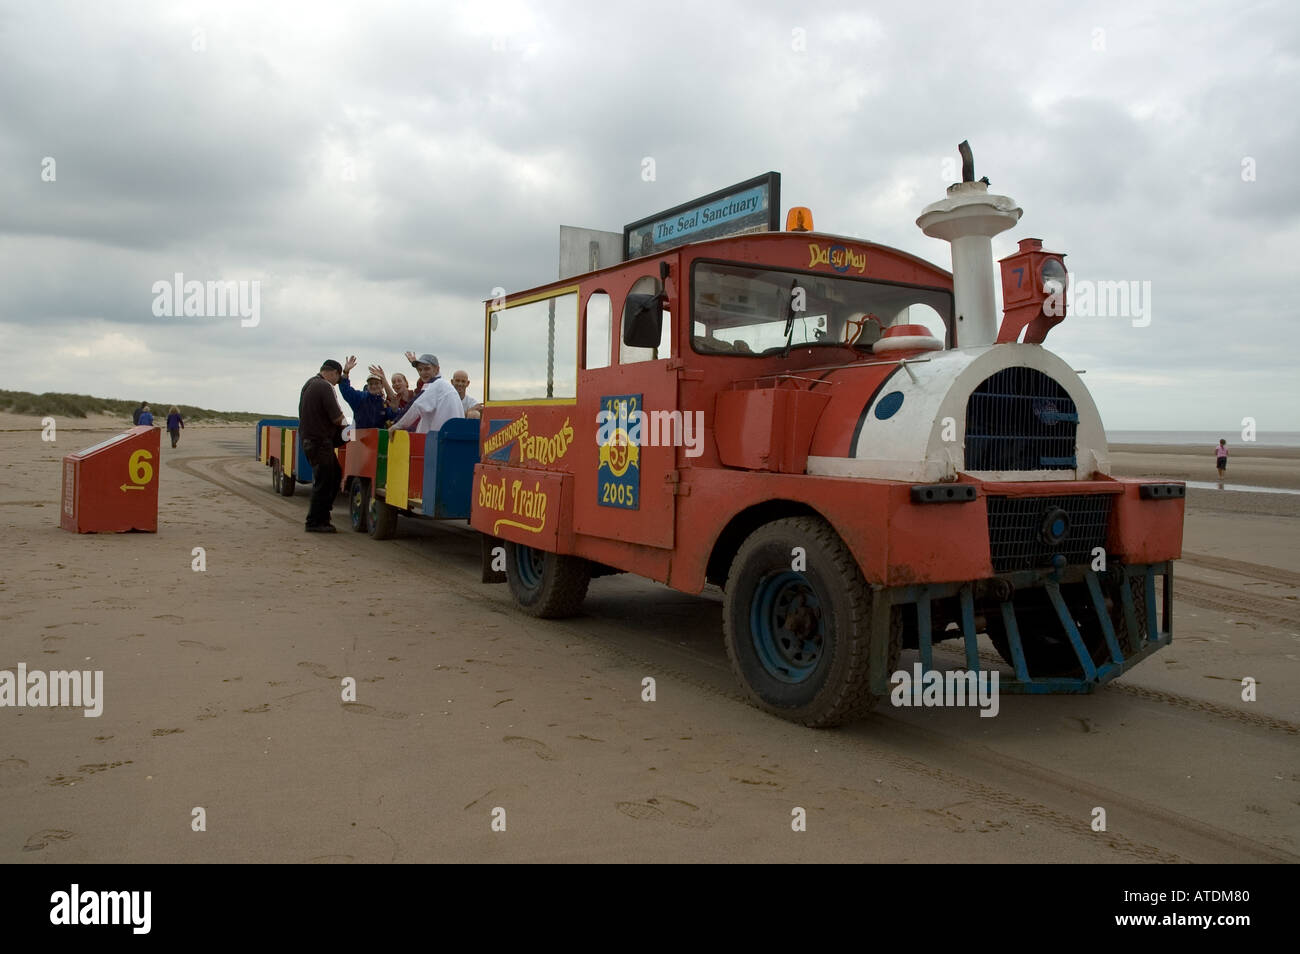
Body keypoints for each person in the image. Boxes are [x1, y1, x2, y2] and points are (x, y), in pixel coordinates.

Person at [299, 359, 347, 533]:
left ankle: (320, 518)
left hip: (310, 440)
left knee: (332, 477)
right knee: (326, 481)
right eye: (338, 378)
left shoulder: (310, 384)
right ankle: (315, 521)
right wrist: (351, 431)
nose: (336, 382)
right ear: (334, 372)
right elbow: (337, 417)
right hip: (320, 442)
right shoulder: (325, 386)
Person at [390, 353, 464, 435]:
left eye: (427, 369)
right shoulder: (444, 386)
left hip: (438, 439)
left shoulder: (435, 386)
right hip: (453, 436)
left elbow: (415, 406)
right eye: (420, 370)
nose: (422, 373)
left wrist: (396, 425)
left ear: (437, 369)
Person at [337, 356, 397, 429]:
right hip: (360, 437)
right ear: (367, 386)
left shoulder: (385, 403)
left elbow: (394, 418)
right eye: (371, 384)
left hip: (378, 438)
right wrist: (346, 372)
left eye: (376, 383)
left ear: (382, 386)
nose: (374, 386)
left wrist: (394, 409)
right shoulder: (360, 397)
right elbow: (346, 390)